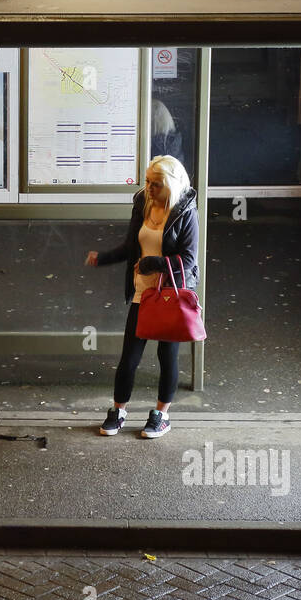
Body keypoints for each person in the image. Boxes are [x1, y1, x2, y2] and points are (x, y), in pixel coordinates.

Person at [85, 155, 199, 438]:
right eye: (147, 181)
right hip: (142, 291)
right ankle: (119, 410)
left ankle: (161, 414)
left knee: (166, 355)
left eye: (155, 184)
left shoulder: (185, 212)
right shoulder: (143, 203)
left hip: (170, 292)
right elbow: (131, 245)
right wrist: (103, 258)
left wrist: (154, 264)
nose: (148, 188)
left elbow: (188, 259)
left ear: (170, 185)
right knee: (130, 356)